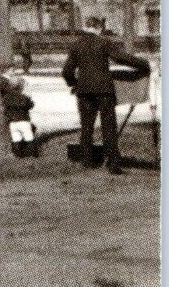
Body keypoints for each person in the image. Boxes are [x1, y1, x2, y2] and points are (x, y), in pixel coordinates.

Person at [61, 16, 150, 174]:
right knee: (108, 126)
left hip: (84, 91)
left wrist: (74, 83)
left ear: (85, 27)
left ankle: (87, 161)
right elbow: (121, 58)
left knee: (86, 127)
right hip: (104, 90)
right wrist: (144, 64)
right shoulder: (104, 42)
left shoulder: (76, 45)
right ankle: (113, 163)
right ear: (99, 28)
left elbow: (66, 71)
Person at [0, 60, 39, 158]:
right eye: (12, 69)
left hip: (13, 120)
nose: (13, 71)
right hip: (23, 119)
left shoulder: (7, 99)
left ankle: (18, 154)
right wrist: (28, 96)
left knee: (16, 137)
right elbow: (30, 105)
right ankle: (32, 153)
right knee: (29, 136)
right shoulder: (23, 97)